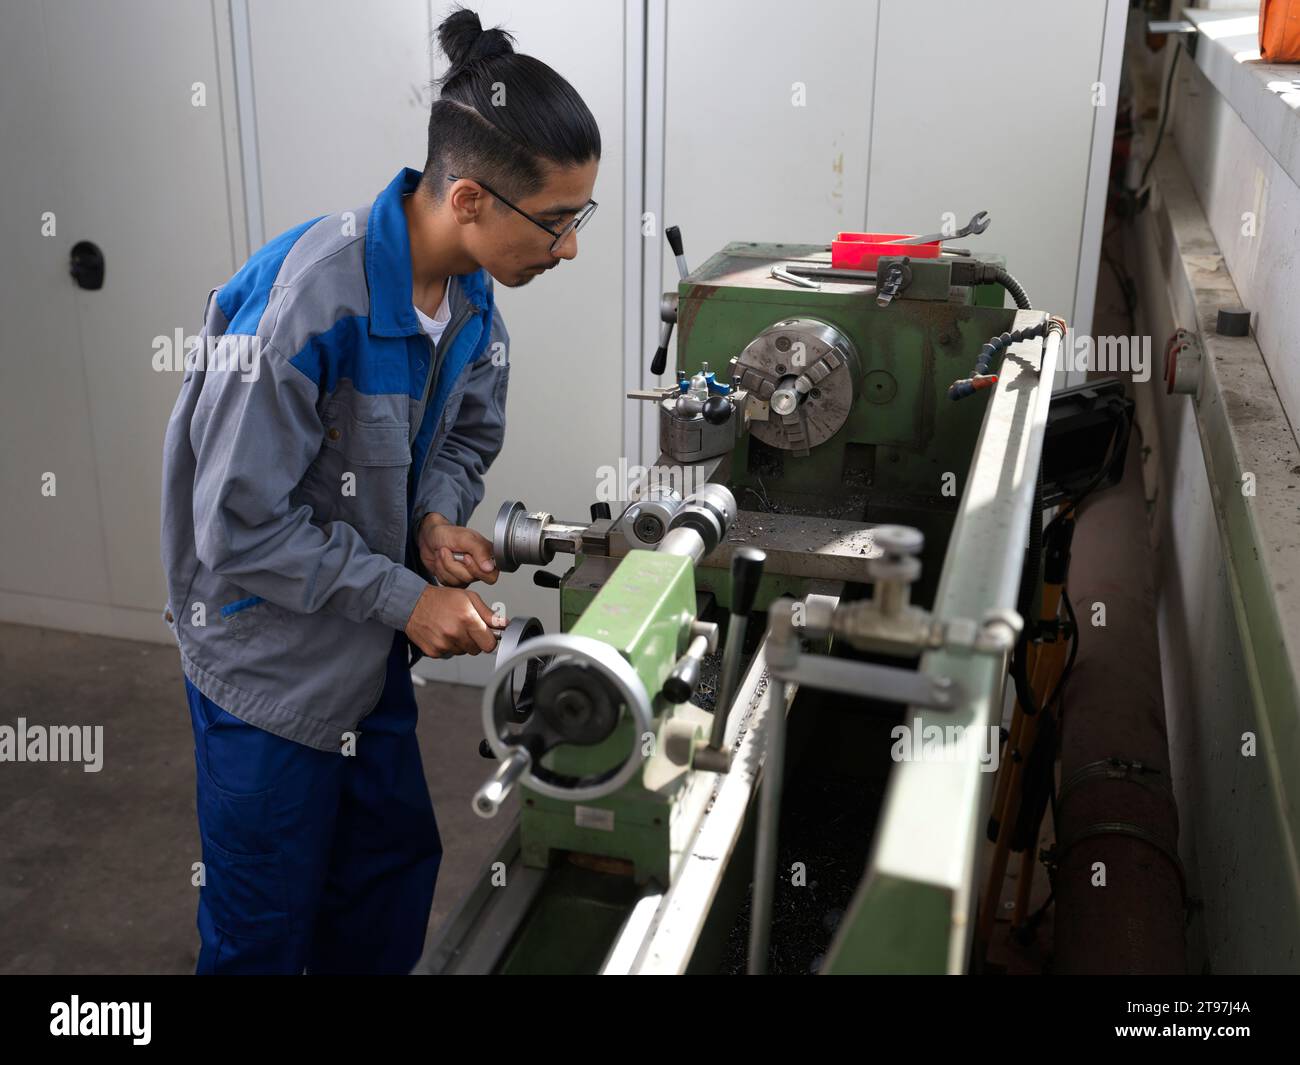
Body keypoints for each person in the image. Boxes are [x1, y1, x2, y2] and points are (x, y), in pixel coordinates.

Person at [158, 5, 601, 974]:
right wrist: (408, 597)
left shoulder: (474, 301)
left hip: (368, 659)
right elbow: (236, 529)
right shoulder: (308, 308)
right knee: (264, 933)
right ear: (474, 198)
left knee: (385, 883)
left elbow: (466, 435)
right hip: (269, 670)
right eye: (558, 221)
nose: (570, 248)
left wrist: (436, 517)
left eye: (581, 216)